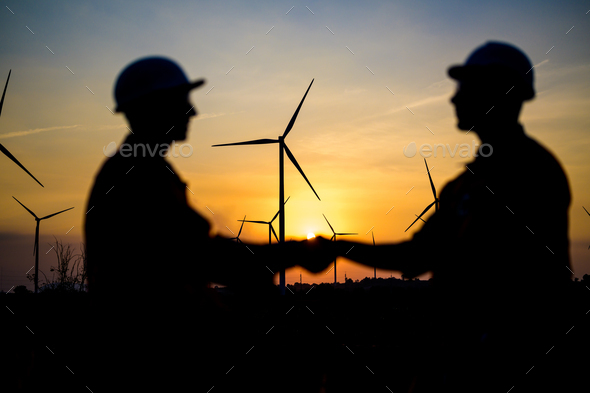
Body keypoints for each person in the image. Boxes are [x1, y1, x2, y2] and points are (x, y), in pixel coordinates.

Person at [331, 42, 573, 392]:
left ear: (499, 93)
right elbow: (417, 253)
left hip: (505, 366)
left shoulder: (532, 173)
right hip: (460, 361)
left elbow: (521, 288)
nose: (454, 99)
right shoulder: (464, 185)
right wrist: (337, 247)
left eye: (465, 88)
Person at [83, 56, 333, 392]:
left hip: (159, 344)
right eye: (182, 102)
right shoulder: (138, 178)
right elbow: (202, 257)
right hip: (155, 356)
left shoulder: (144, 170)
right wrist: (293, 253)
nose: (193, 112)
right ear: (153, 107)